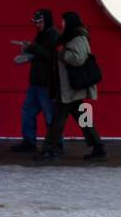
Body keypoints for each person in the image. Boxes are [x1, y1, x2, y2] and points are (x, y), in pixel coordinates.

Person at [37, 11, 106, 162]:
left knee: (58, 119)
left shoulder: (78, 37)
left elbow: (79, 59)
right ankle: (98, 146)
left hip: (70, 88)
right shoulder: (73, 35)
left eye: (63, 22)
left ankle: (49, 149)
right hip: (72, 88)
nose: (61, 24)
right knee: (83, 117)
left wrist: (62, 55)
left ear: (70, 22)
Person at [12, 8, 60, 152]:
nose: (37, 25)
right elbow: (41, 53)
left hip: (46, 83)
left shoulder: (54, 34)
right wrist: (27, 49)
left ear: (46, 20)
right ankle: (29, 142)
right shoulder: (42, 34)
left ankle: (56, 145)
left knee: (50, 116)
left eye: (40, 22)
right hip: (36, 82)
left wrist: (32, 46)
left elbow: (51, 55)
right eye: (36, 22)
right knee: (28, 112)